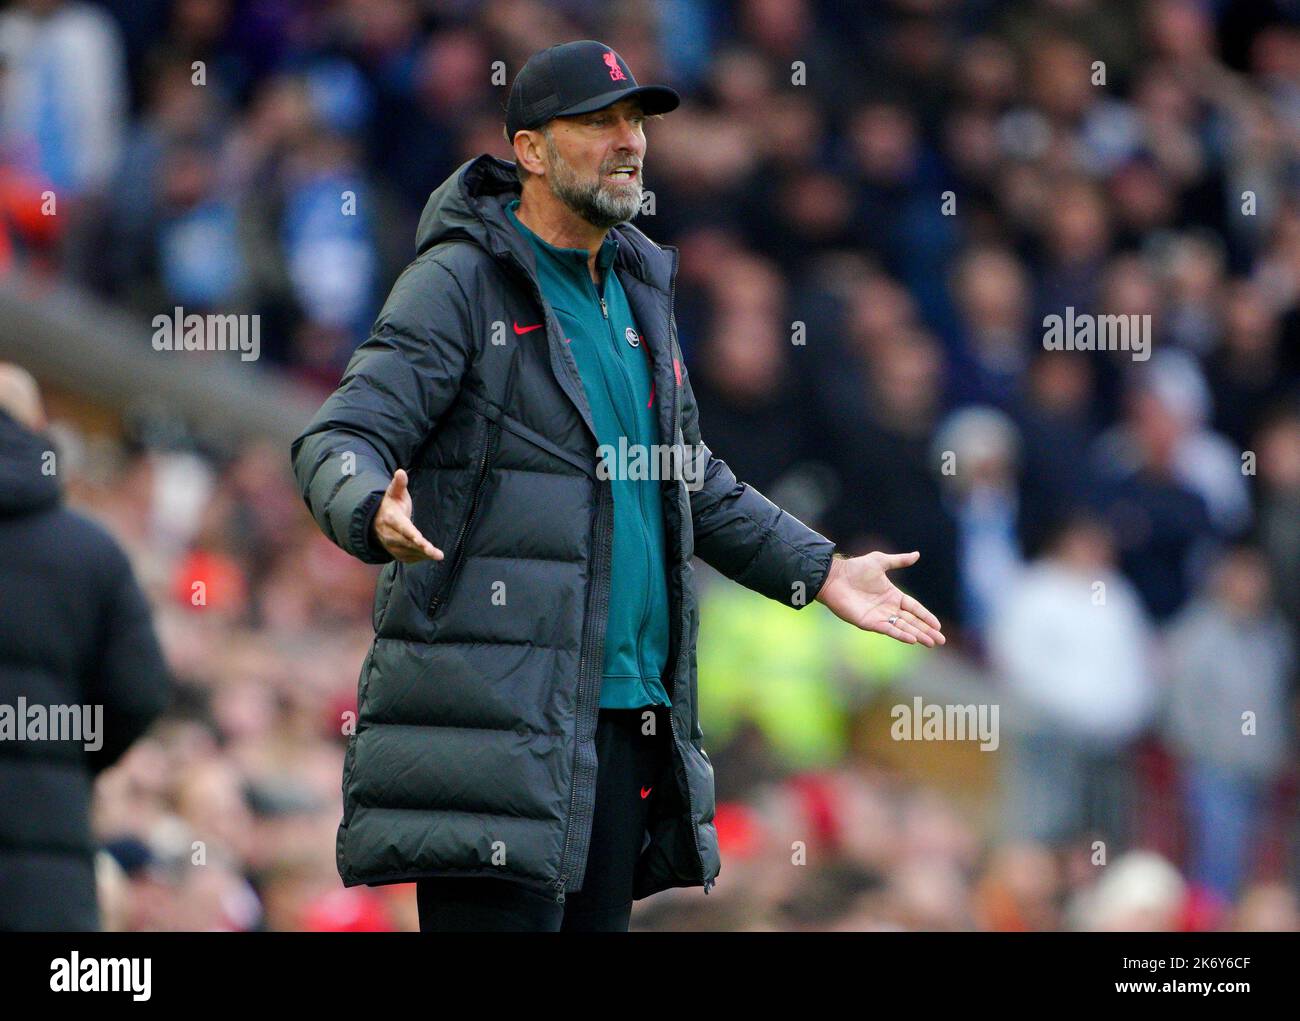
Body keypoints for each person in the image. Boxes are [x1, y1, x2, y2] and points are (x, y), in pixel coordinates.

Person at [291, 39, 945, 933]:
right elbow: (341, 433)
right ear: (530, 149)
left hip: (626, 725)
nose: (628, 140)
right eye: (598, 123)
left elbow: (688, 479)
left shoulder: (635, 290)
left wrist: (821, 569)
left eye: (635, 120)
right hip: (500, 731)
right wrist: (369, 507)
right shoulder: (458, 282)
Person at [0, 364, 172, 930]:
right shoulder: (93, 553)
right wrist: (63, 759)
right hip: (42, 874)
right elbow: (140, 692)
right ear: (38, 429)